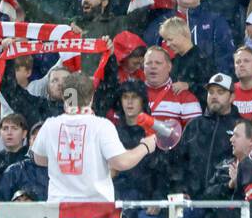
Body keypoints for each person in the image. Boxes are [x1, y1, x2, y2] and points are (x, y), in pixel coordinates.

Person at [30, 72, 159, 202]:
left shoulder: (50, 125)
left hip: (59, 208)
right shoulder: (102, 126)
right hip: (95, 210)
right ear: (91, 97)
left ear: (64, 96)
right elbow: (121, 162)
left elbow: (39, 159)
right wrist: (145, 146)